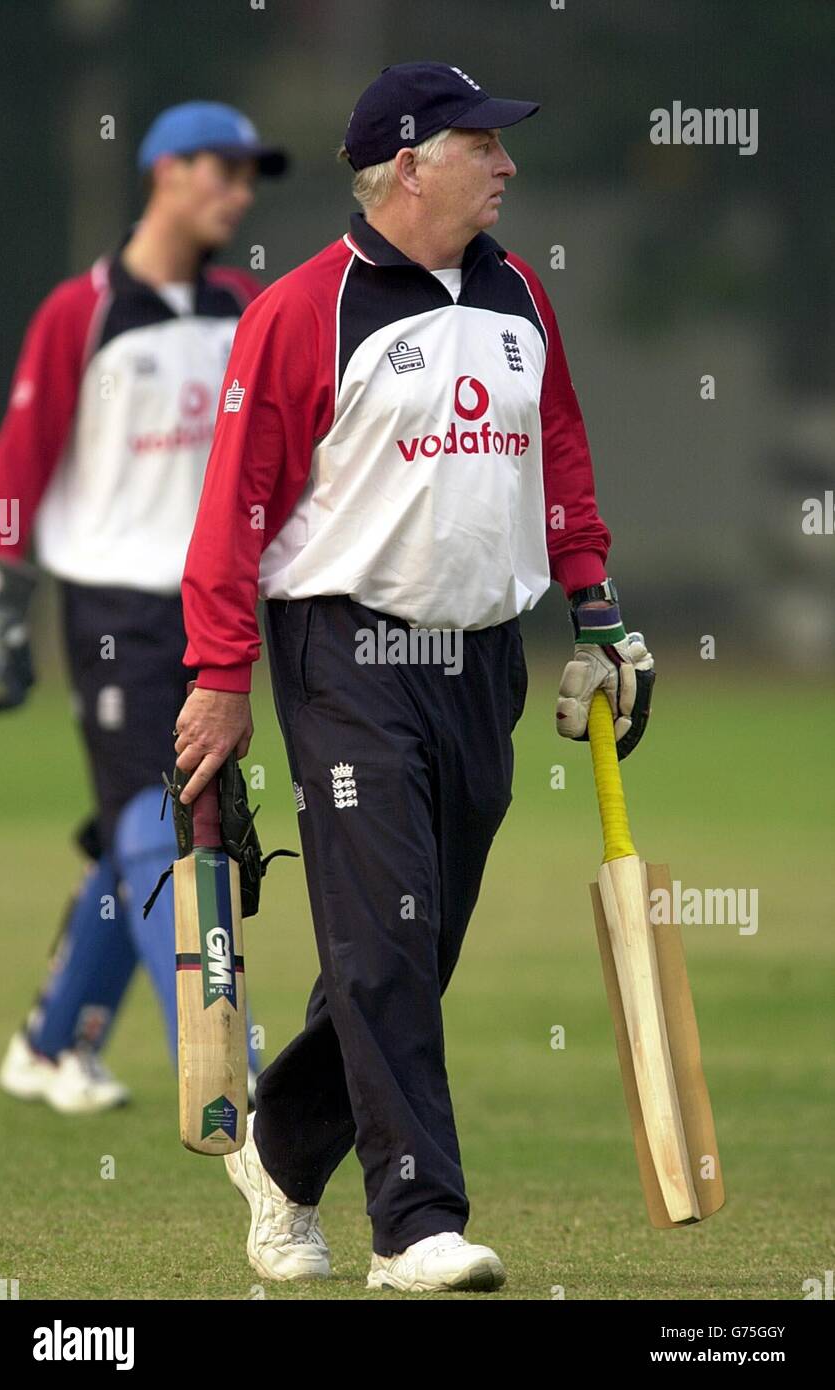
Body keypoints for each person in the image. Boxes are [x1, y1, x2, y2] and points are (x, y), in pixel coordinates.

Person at [172, 63, 654, 1293]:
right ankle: (416, 1223)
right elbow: (232, 509)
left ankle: (278, 1153)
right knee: (386, 943)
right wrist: (219, 675)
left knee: (409, 946)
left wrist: (598, 617)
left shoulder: (520, 295)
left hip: (480, 659)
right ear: (405, 165)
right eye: (480, 146)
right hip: (348, 657)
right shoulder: (301, 310)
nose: (505, 165)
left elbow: (561, 459)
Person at [0, 101, 287, 1114]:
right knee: (166, 817)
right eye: (224, 173)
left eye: (250, 179)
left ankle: (49, 1038)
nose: (239, 196)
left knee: (134, 827)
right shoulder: (84, 309)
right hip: (111, 602)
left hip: (217, 613)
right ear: (164, 170)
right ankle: (222, 1055)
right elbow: (15, 465)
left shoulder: (247, 304)